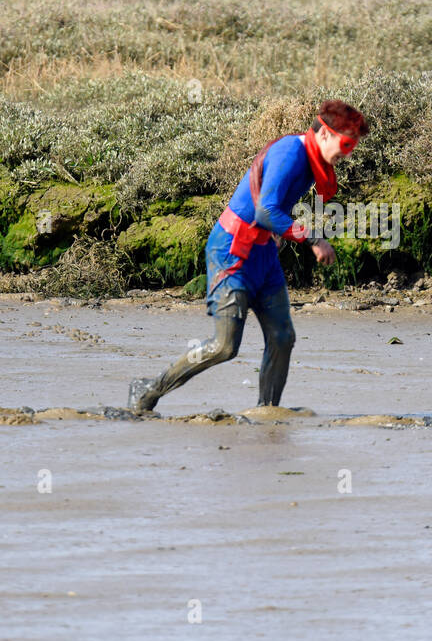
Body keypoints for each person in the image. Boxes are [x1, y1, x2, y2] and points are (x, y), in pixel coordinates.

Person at [127, 99, 370, 413]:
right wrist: (313, 238)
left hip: (263, 255)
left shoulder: (312, 161)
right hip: (231, 252)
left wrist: (279, 236)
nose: (347, 154)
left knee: (282, 337)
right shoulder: (291, 152)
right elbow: (265, 210)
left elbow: (273, 210)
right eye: (346, 144)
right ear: (324, 133)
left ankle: (266, 413)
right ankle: (149, 389)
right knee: (225, 346)